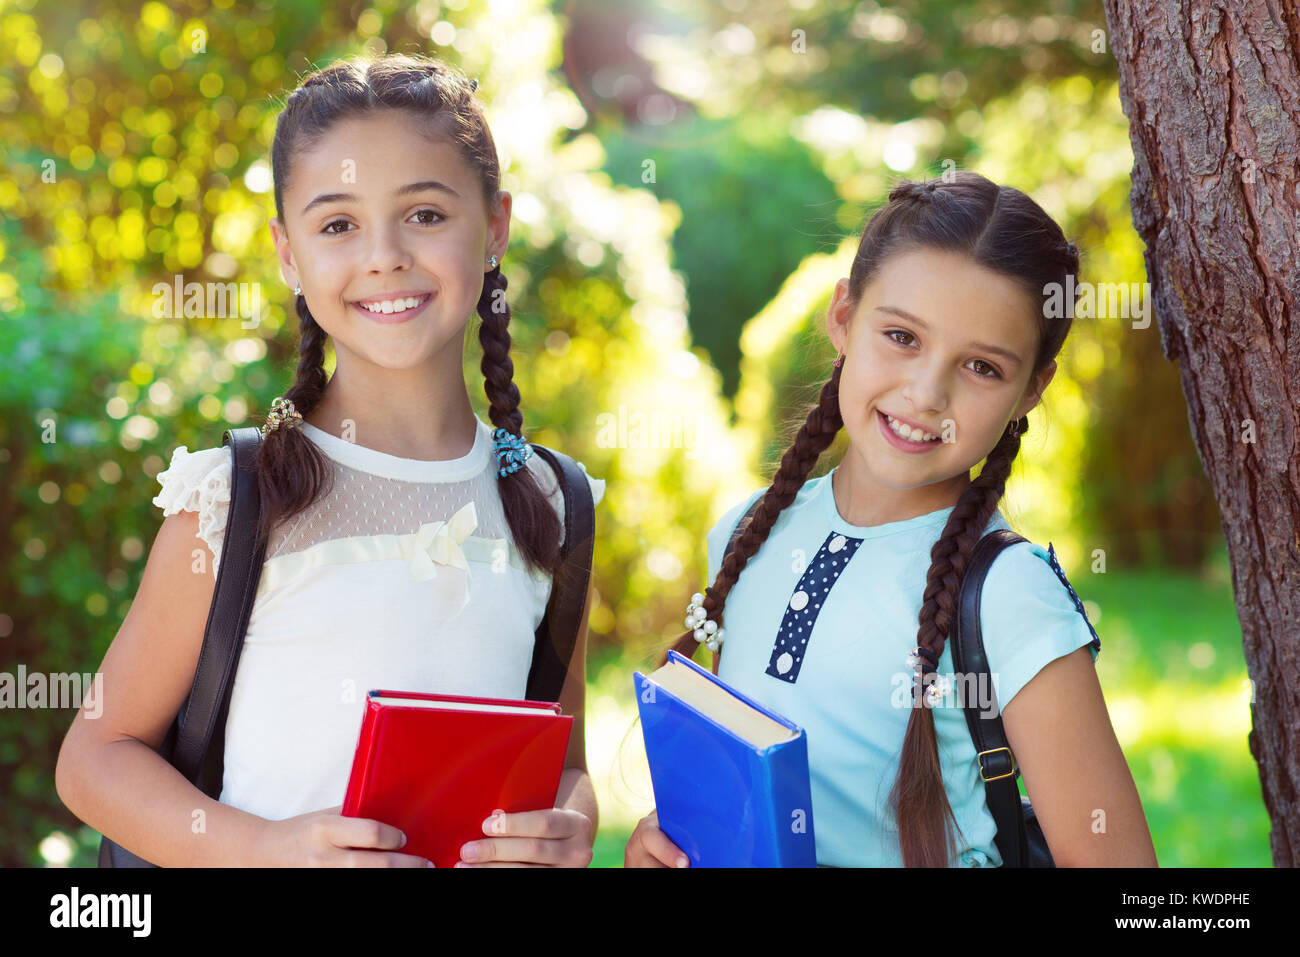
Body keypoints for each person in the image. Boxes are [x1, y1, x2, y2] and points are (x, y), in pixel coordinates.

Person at [55, 54, 602, 868]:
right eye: (338, 224)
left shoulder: (553, 502)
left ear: (494, 227)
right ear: (287, 253)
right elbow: (95, 759)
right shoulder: (238, 498)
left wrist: (572, 824)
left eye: (424, 213)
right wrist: (267, 848)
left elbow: (565, 767)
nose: (383, 256)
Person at [626, 171, 1157, 868]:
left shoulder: (1008, 594)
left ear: (1031, 389)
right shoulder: (747, 532)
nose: (926, 391)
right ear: (843, 315)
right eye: (902, 335)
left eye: (981, 366)